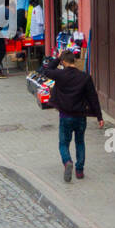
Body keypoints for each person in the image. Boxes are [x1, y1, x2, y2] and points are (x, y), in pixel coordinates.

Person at [40, 49, 104, 182]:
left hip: (65, 116)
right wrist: (99, 117)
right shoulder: (85, 77)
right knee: (80, 142)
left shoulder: (60, 74)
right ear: (74, 61)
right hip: (80, 116)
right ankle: (79, 171)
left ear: (63, 62)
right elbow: (93, 98)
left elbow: (45, 70)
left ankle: (67, 161)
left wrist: (57, 58)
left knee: (63, 143)